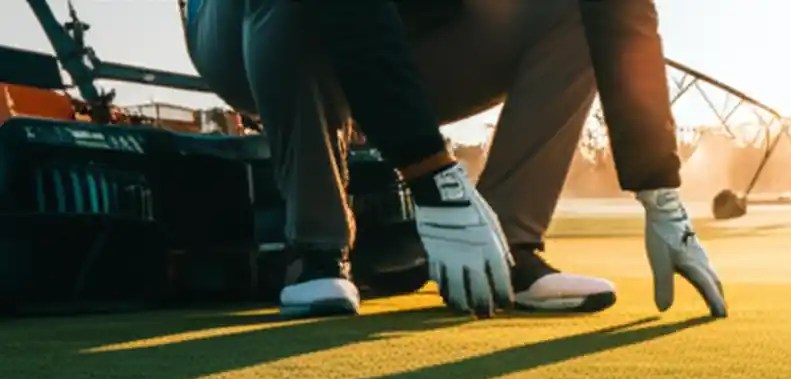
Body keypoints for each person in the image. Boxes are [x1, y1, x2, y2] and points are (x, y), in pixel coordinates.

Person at [181, 0, 727, 319]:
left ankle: (512, 248)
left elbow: (621, 13)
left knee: (572, 10)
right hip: (246, 31)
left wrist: (661, 191)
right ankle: (316, 250)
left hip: (413, 24)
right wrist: (431, 175)